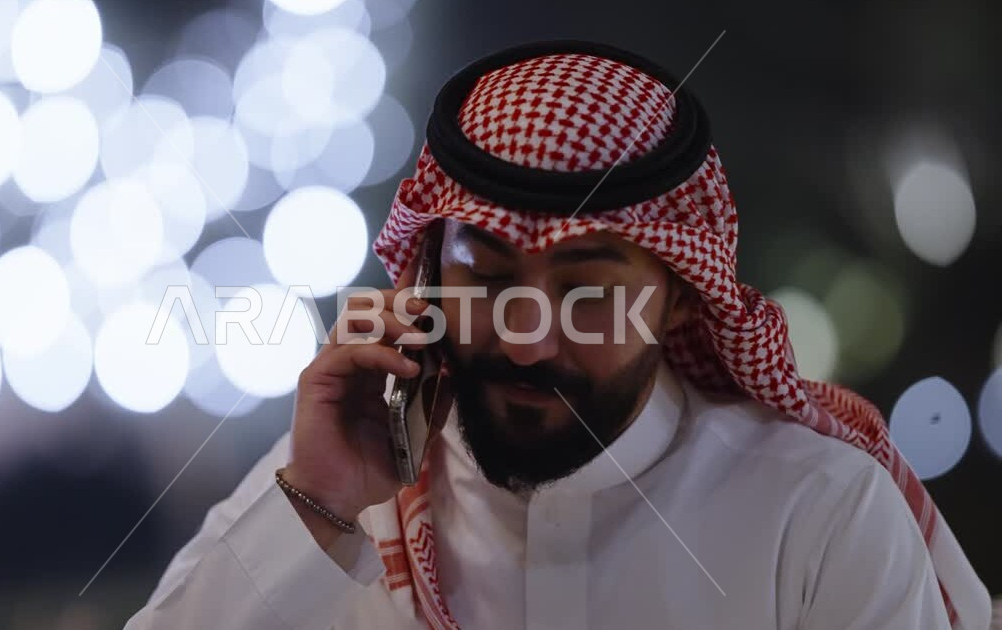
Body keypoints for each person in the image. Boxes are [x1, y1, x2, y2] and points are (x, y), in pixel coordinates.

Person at [125, 40, 990, 629]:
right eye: (489, 278)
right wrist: (321, 504)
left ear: (682, 300)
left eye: (587, 293)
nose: (528, 339)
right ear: (429, 274)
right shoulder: (345, 488)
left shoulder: (816, 510)